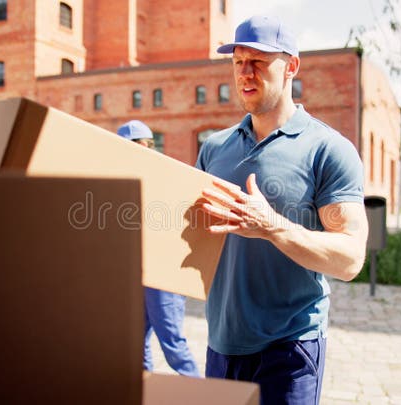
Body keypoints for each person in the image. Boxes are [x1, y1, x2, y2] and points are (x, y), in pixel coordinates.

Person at [195, 15, 369, 405]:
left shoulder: (328, 149)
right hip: (221, 346)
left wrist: (271, 225)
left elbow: (350, 259)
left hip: (289, 349)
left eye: (258, 62)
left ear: (291, 66)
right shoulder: (214, 149)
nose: (246, 74)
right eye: (239, 62)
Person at [116, 120, 200, 378]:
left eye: (147, 145)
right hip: (137, 273)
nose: (144, 149)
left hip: (163, 276)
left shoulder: (166, 177)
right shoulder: (120, 182)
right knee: (134, 342)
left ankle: (201, 394)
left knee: (171, 342)